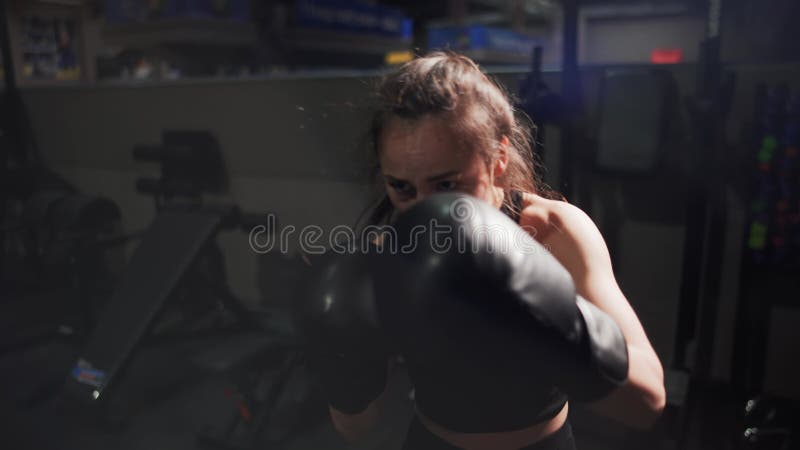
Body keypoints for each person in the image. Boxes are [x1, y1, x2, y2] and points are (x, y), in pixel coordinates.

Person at [300, 51, 665, 450]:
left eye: (447, 185)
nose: (425, 210)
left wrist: (556, 319)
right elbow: (356, 429)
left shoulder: (552, 231)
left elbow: (648, 401)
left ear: (498, 160)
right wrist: (343, 363)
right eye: (402, 187)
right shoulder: (388, 247)